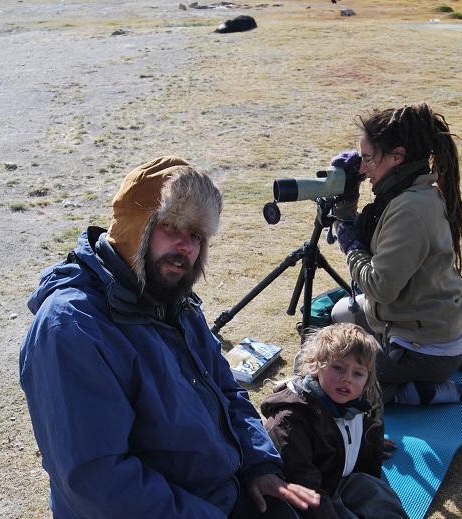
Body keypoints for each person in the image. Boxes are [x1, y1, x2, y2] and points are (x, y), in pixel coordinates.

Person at [18, 156, 320, 518]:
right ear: (135, 228)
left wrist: (258, 462)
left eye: (196, 235)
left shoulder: (171, 298)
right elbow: (99, 482)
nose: (186, 247)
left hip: (219, 491)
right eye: (172, 227)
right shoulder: (72, 329)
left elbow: (225, 390)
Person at [329, 103, 462, 406]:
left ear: (397, 156)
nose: (363, 167)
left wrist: (352, 247)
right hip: (434, 323)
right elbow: (369, 237)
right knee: (339, 313)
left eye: (368, 158)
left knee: (339, 381)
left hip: (426, 349)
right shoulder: (411, 191)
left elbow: (380, 288)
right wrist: (347, 199)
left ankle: (423, 391)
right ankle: (457, 355)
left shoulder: (409, 209)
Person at [260, 323, 409, 519]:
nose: (347, 378)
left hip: (342, 479)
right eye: (338, 368)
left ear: (368, 379)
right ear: (315, 365)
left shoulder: (361, 404)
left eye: (357, 373)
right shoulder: (290, 420)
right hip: (311, 495)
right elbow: (302, 482)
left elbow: (351, 435)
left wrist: (369, 447)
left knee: (376, 493)